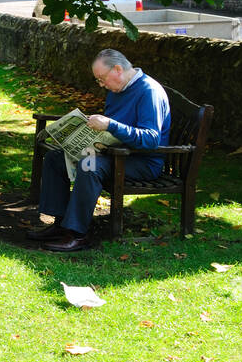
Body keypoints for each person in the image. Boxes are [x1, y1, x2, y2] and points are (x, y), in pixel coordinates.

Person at [30, 49, 171, 252]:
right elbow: (112, 130)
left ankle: (78, 234)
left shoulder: (149, 91)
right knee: (55, 157)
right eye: (98, 80)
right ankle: (60, 225)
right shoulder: (117, 90)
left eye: (102, 79)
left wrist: (110, 125)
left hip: (142, 162)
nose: (101, 85)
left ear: (118, 69)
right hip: (115, 153)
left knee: (89, 166)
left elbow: (151, 139)